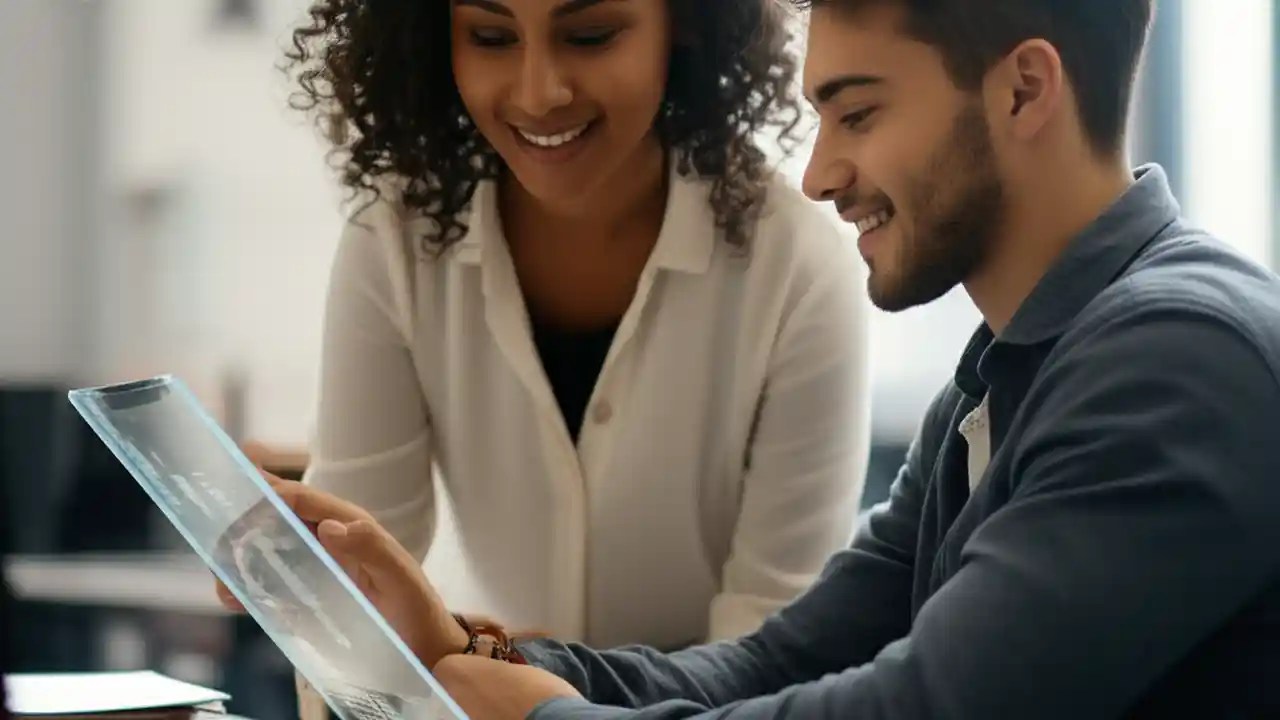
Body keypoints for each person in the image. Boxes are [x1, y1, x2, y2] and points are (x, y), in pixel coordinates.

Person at [236, 0, 1280, 717]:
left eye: (857, 113)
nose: (820, 173)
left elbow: (921, 711)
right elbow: (782, 661)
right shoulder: (1004, 371)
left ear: (1021, 92)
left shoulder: (1174, 359)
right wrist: (479, 657)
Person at [276, 0, 871, 652]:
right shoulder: (392, 243)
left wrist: (522, 681)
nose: (539, 93)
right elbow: (356, 603)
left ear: (689, 21)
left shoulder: (797, 271)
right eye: (491, 36)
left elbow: (775, 655)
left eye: (590, 36)